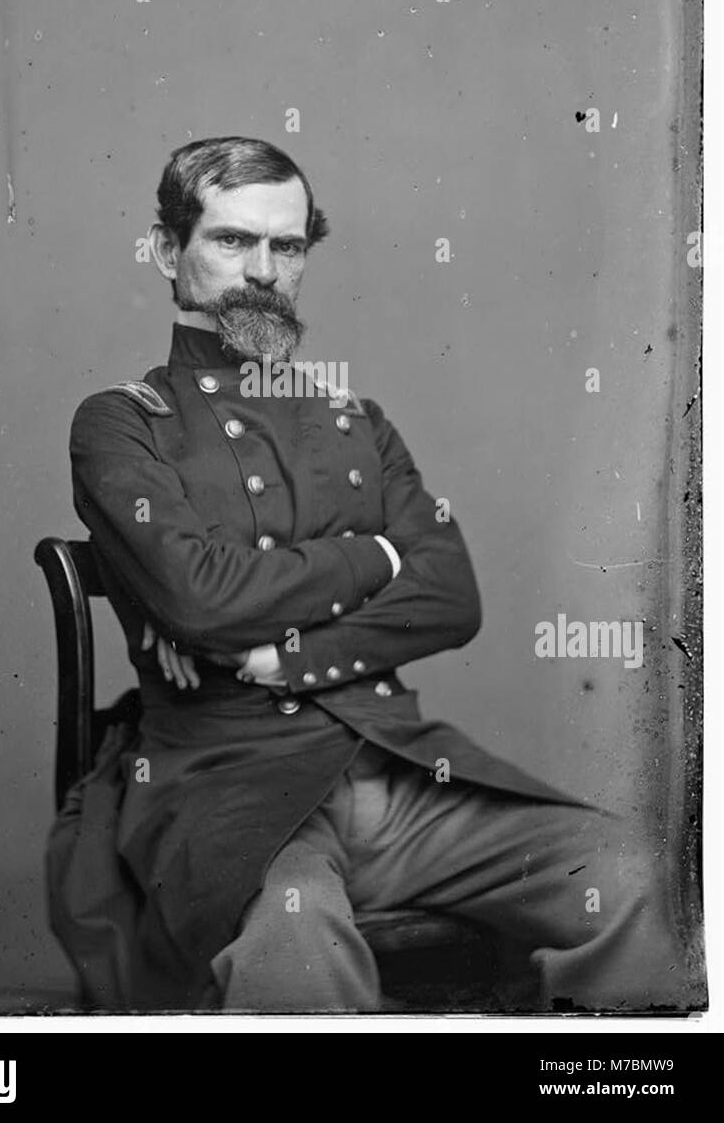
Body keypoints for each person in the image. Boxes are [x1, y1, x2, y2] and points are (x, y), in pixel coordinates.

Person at [48, 135, 701, 1013]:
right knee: (295, 934)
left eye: (287, 245)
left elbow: (449, 595)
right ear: (169, 251)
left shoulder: (355, 421)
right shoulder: (124, 424)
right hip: (229, 787)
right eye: (232, 240)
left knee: (635, 872)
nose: (263, 271)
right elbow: (199, 595)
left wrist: (290, 656)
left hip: (396, 775)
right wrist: (375, 558)